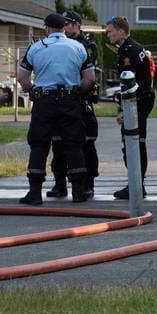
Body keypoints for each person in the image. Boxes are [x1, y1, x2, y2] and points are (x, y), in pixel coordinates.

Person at [16, 13, 94, 205]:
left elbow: (22, 77)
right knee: (74, 144)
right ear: (64, 28)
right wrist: (77, 90)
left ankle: (34, 193)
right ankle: (78, 191)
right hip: (70, 100)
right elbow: (90, 78)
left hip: (44, 101)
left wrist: (32, 90)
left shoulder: (36, 48)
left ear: (46, 29)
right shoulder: (78, 47)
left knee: (39, 144)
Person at [46, 11, 100, 201]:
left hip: (81, 98)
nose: (64, 27)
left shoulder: (87, 46)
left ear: (76, 24)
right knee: (58, 142)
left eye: (67, 24)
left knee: (86, 143)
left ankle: (87, 184)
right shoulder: (58, 45)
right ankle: (59, 182)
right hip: (63, 100)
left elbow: (89, 74)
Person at [105, 16, 154, 199]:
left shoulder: (128, 52)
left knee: (132, 143)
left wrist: (122, 110)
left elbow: (128, 83)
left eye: (110, 31)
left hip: (136, 101)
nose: (108, 35)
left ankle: (136, 184)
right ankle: (137, 183)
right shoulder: (135, 47)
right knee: (136, 142)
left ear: (121, 31)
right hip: (142, 98)